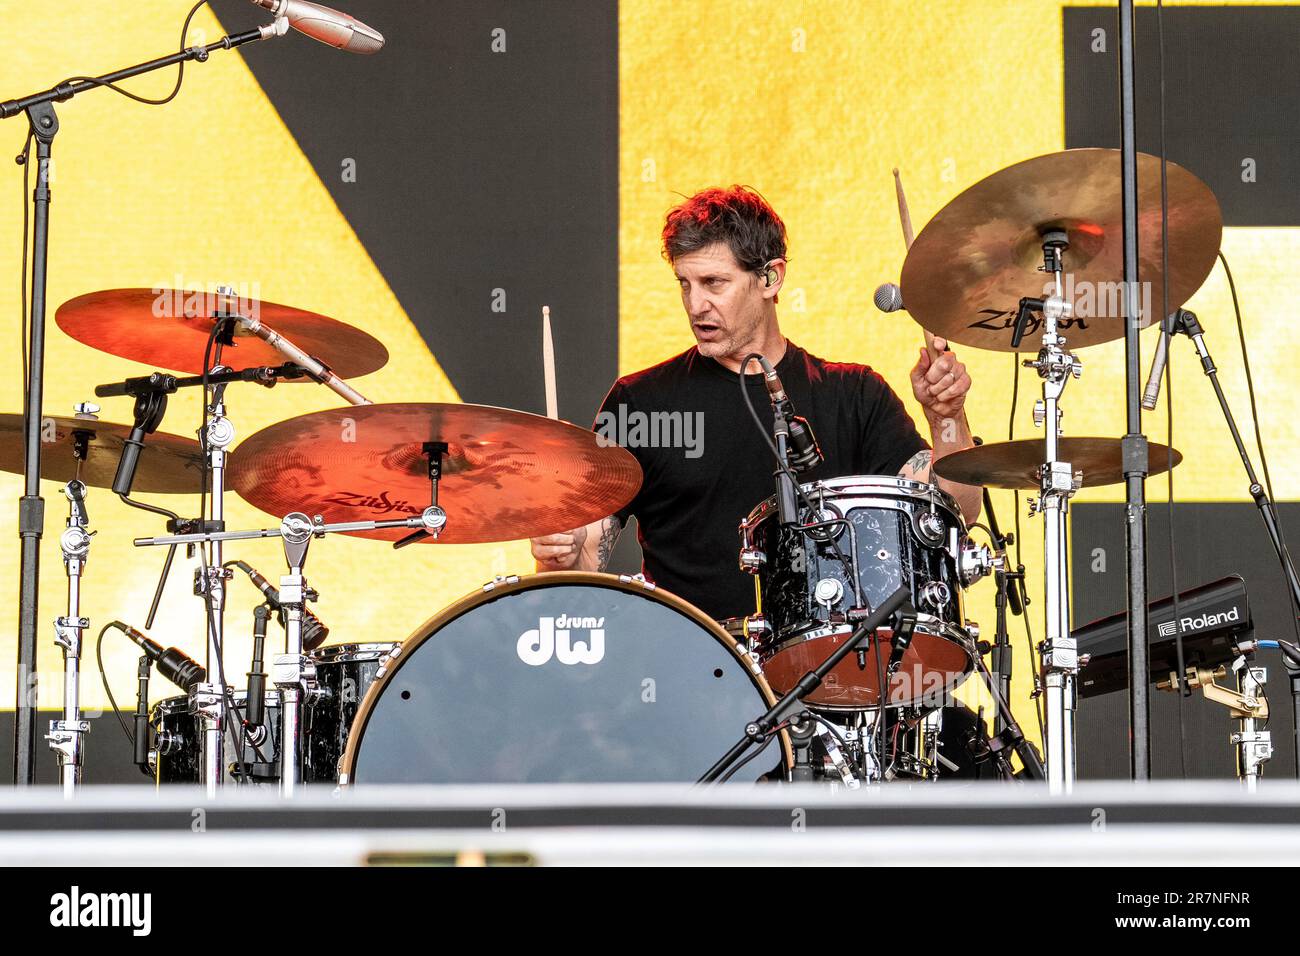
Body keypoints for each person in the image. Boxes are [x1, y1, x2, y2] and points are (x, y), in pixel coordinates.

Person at [531, 185, 981, 621]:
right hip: (688, 672)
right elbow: (583, 560)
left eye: (714, 282)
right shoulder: (640, 403)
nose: (695, 304)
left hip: (832, 675)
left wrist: (947, 417)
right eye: (684, 284)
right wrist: (560, 552)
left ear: (770, 277)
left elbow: (954, 511)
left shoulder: (855, 394)